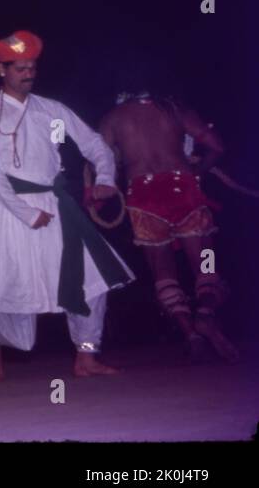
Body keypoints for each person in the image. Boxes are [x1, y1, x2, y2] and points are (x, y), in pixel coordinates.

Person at [0, 30, 134, 382]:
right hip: (10, 208)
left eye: (32, 67)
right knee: (7, 284)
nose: (28, 74)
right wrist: (26, 213)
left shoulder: (52, 110)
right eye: (20, 68)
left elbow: (94, 144)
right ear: (2, 70)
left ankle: (86, 356)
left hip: (57, 206)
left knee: (93, 278)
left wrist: (106, 177)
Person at [98, 91, 234, 362]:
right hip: (182, 188)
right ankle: (206, 315)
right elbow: (217, 147)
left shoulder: (113, 118)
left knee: (163, 273)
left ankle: (190, 334)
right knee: (206, 264)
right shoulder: (174, 108)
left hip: (143, 195)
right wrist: (198, 171)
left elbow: (102, 161)